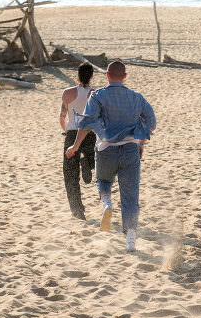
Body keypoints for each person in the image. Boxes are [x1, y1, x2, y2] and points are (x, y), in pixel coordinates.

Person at [65, 61, 156, 252]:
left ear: (107, 76)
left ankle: (106, 203)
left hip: (106, 149)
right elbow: (152, 123)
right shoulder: (136, 97)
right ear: (125, 76)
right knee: (130, 196)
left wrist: (75, 145)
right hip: (130, 150)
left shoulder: (98, 95)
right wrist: (140, 141)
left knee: (103, 181)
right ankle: (130, 238)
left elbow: (86, 123)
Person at [59, 63, 97, 220]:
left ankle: (78, 210)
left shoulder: (67, 93)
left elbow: (62, 116)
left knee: (70, 174)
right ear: (92, 76)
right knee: (92, 160)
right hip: (90, 133)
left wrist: (65, 130)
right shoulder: (95, 93)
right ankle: (86, 162)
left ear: (77, 75)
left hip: (72, 133)